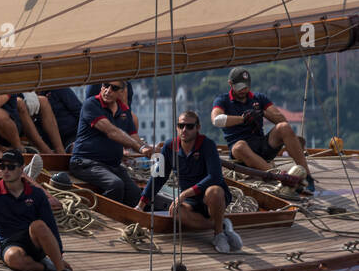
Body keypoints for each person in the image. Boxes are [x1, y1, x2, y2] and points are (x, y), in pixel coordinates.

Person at [137, 111, 242, 253]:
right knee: (175, 211)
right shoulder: (168, 147)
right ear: (177, 128)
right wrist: (140, 205)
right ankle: (221, 225)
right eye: (181, 126)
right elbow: (158, 176)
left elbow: (215, 176)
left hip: (210, 196)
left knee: (215, 191)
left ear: (198, 128)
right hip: (192, 201)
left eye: (189, 126)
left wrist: (185, 194)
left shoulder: (208, 145)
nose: (184, 130)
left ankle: (218, 235)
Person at [211, 67, 314, 193]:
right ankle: (279, 176)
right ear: (230, 84)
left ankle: (307, 176)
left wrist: (263, 112)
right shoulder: (223, 100)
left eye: (246, 86)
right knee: (239, 147)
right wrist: (243, 119)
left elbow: (282, 120)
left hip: (261, 144)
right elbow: (216, 119)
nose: (244, 90)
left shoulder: (259, 98)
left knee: (284, 128)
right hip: (241, 152)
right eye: (240, 87)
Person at [69, 80, 152, 204]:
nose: (108, 90)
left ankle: (129, 220)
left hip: (111, 166)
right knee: (115, 184)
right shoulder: (91, 104)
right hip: (85, 163)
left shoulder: (124, 111)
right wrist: (139, 148)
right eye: (105, 85)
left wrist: (150, 149)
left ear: (122, 92)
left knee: (135, 194)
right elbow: (111, 132)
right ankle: (103, 218)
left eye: (114, 88)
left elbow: (134, 137)